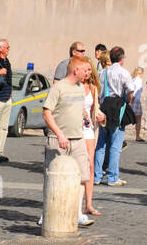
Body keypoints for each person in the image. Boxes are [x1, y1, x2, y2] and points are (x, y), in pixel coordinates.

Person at [42, 57, 96, 227]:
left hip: (78, 139)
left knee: (82, 176)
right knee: (52, 177)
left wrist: (85, 116)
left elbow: (78, 106)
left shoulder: (80, 88)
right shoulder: (58, 88)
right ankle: (47, 213)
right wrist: (59, 134)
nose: (87, 74)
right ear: (75, 71)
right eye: (84, 70)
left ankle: (78, 213)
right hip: (58, 140)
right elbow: (47, 113)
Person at [94, 46, 134, 187]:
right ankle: (112, 177)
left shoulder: (103, 72)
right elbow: (130, 91)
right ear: (122, 59)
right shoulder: (124, 73)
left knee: (101, 144)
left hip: (104, 106)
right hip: (117, 107)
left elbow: (98, 91)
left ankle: (97, 176)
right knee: (116, 145)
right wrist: (127, 101)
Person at [80, 59, 104, 216]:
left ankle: (88, 204)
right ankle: (75, 203)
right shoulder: (73, 87)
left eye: (90, 70)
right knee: (77, 168)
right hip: (74, 129)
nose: (88, 73)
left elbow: (95, 110)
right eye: (85, 70)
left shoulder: (94, 89)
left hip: (88, 130)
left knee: (89, 167)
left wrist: (100, 116)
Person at [130, 66, 145, 142]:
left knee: (129, 117)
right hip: (136, 99)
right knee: (138, 119)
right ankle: (137, 136)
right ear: (140, 73)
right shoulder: (139, 80)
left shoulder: (132, 79)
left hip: (131, 99)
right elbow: (135, 90)